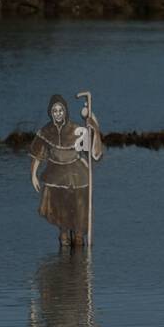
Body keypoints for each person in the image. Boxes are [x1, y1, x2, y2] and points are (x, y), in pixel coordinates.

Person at [29, 94, 104, 247]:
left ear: (65, 111)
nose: (58, 113)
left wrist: (92, 126)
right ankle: (63, 251)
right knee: (61, 219)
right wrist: (33, 175)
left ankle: (79, 251)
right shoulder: (46, 131)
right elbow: (38, 154)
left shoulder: (76, 129)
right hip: (55, 176)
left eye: (60, 110)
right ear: (51, 112)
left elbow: (92, 150)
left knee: (77, 217)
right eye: (55, 110)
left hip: (77, 176)